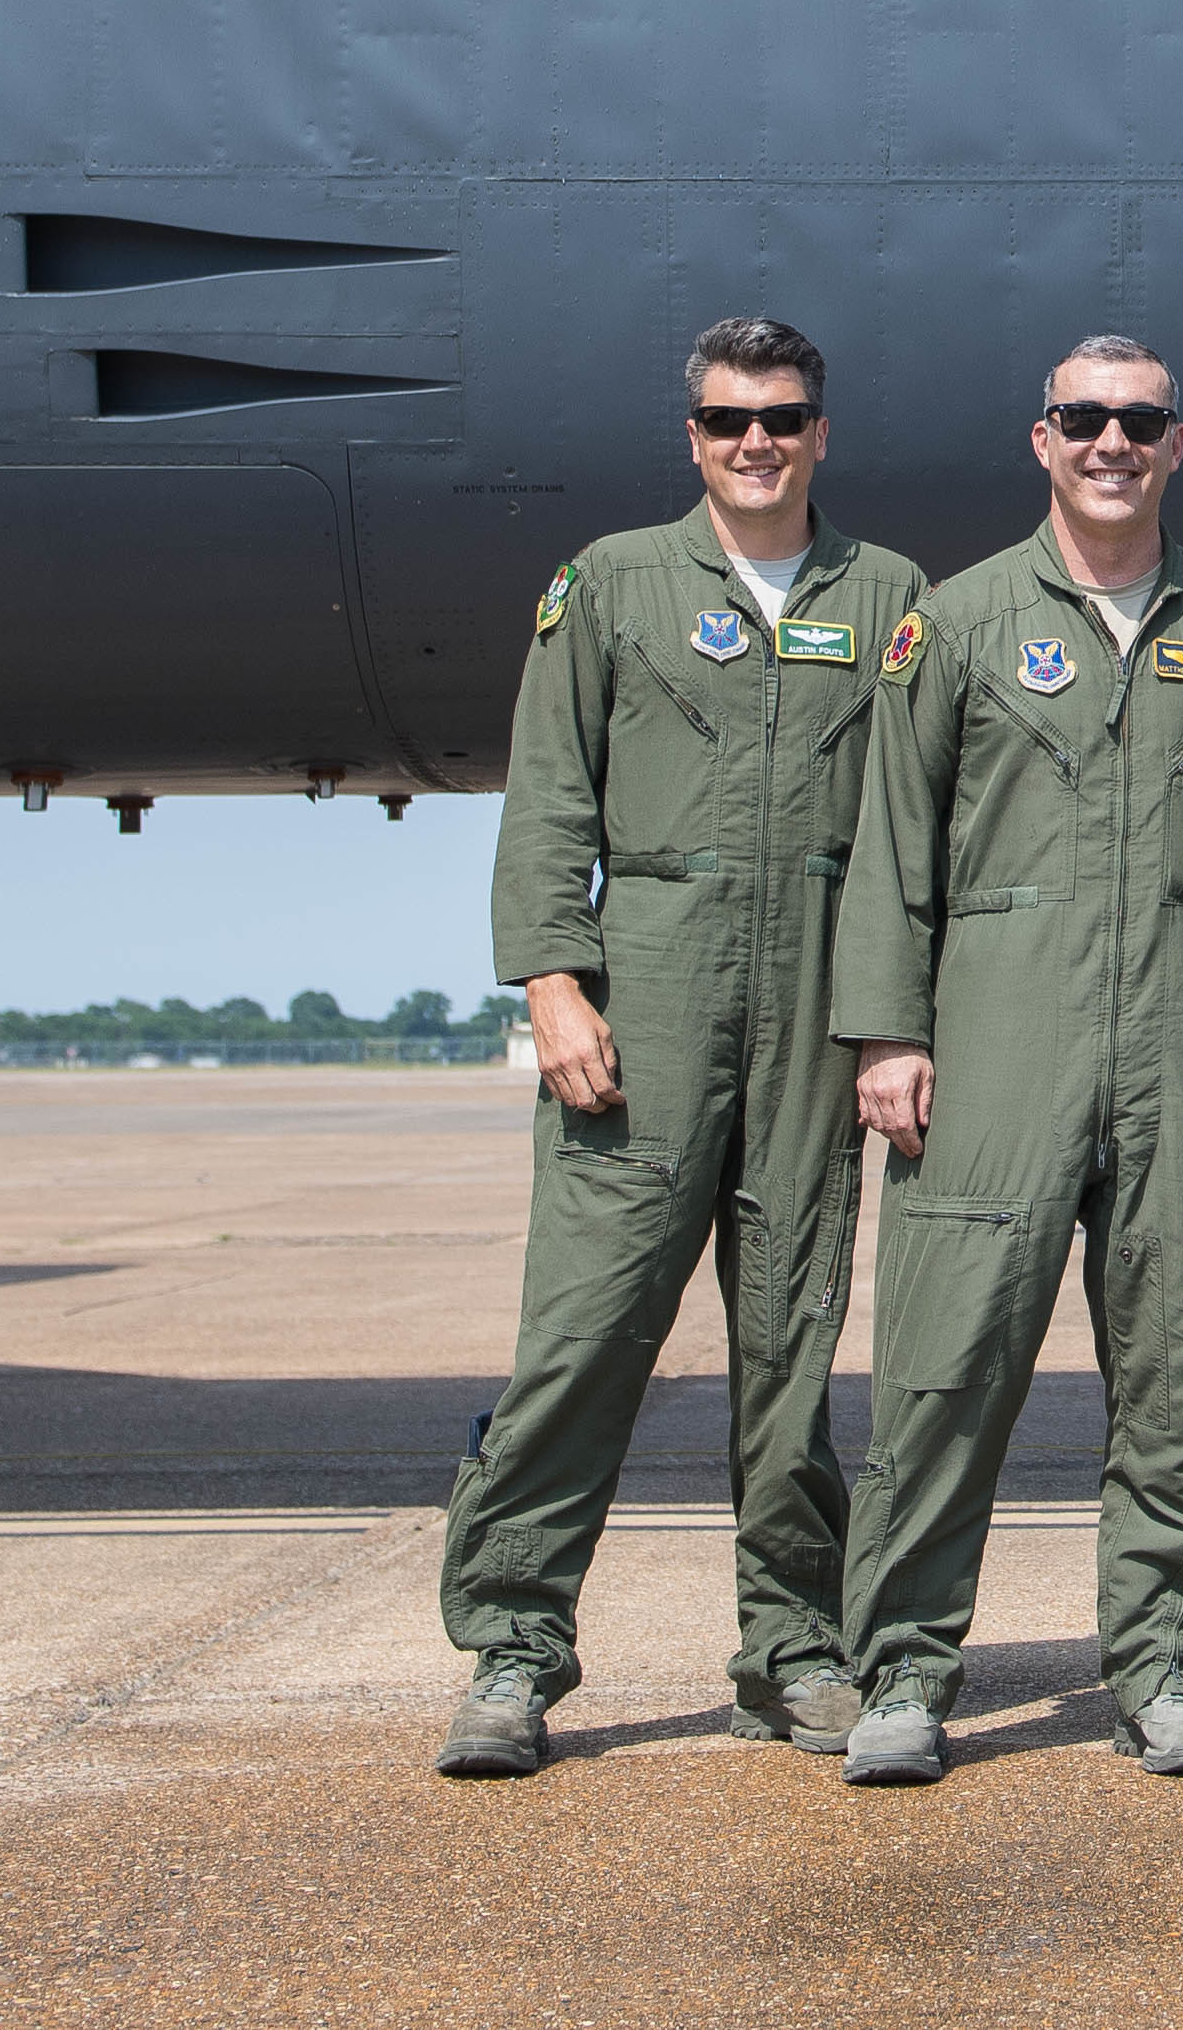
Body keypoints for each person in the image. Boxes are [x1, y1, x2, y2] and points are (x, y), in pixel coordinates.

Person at [433, 318, 927, 1780]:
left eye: (781, 416)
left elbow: (914, 826)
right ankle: (514, 1648)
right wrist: (551, 982)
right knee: (584, 1335)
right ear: (692, 437)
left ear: (820, 430)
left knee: (791, 1347)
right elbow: (550, 795)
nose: (755, 441)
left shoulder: (890, 596)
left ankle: (790, 1649)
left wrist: (892, 1015)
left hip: (815, 1009)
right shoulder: (612, 585)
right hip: (645, 990)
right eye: (727, 420)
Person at [831, 335, 1183, 1787]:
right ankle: (903, 1672)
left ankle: (1162, 1667)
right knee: (943, 1364)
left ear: (1176, 441)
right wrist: (890, 1033)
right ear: (1042, 438)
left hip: (1179, 1029)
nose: (1112, 442)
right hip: (994, 1030)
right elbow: (891, 845)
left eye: (1139, 420)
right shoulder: (957, 621)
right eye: (1084, 419)